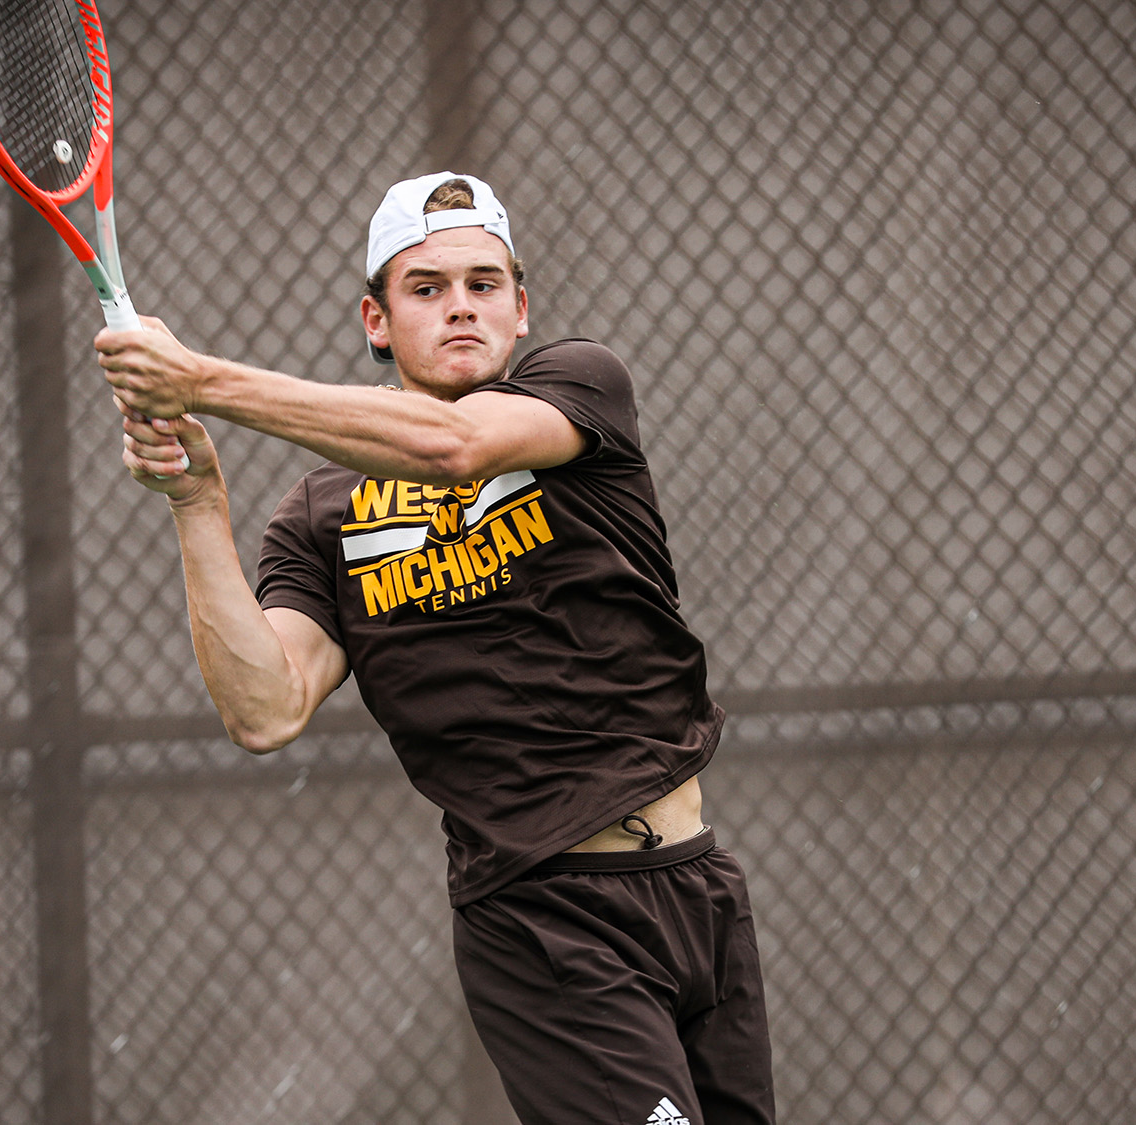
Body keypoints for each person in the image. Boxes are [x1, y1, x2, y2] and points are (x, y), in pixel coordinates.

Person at [95, 171, 775, 1125]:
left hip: (699, 887)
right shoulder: (318, 518)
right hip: (545, 919)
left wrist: (201, 379)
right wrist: (198, 501)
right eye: (426, 288)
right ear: (376, 320)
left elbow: (452, 447)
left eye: (484, 283)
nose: (461, 305)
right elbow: (267, 706)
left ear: (521, 307)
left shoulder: (580, 390)